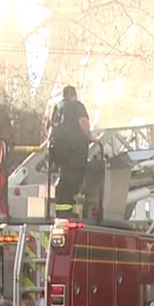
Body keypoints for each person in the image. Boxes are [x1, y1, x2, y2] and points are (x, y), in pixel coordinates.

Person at [49, 85, 98, 213]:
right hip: (74, 149)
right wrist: (91, 137)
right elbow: (83, 122)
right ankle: (67, 210)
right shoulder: (77, 105)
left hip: (58, 149)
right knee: (74, 179)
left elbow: (50, 128)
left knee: (64, 178)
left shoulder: (57, 108)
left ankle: (61, 209)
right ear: (73, 95)